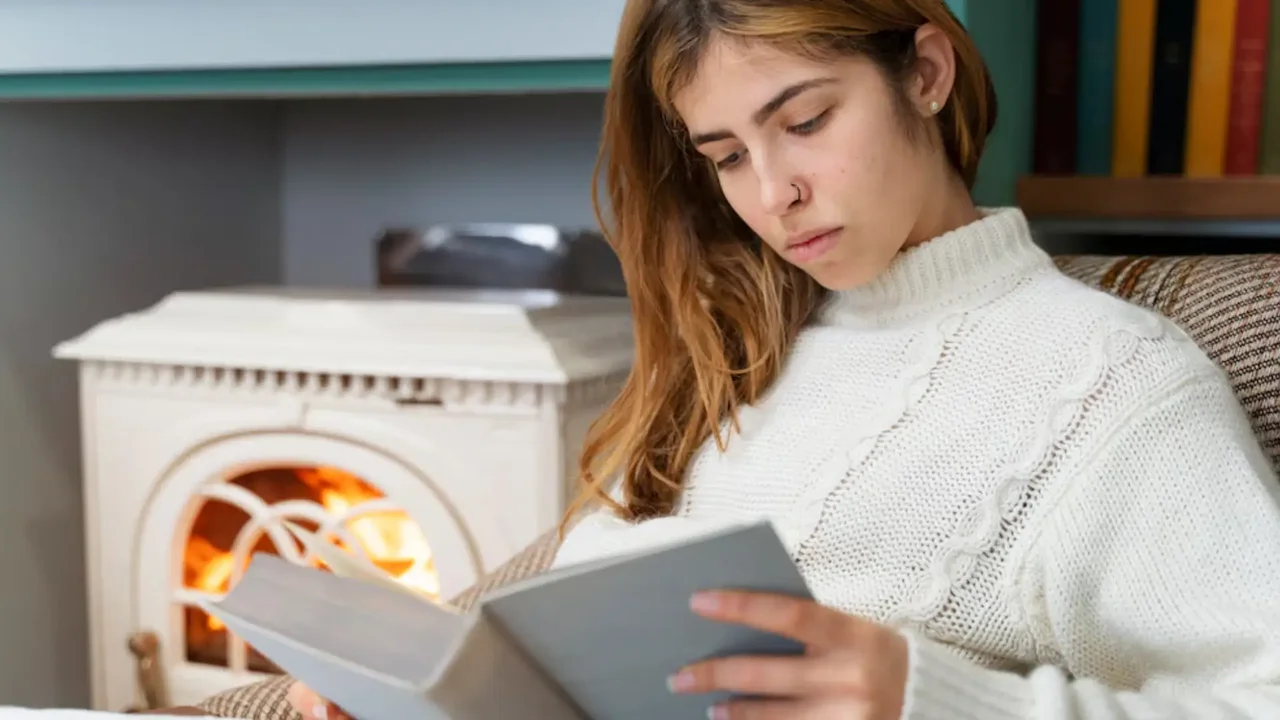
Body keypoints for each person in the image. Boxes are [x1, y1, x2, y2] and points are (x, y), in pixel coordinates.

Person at [288, 0, 1280, 718]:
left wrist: (922, 702)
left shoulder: (1107, 382)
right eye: (723, 155)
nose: (771, 193)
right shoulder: (729, 355)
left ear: (925, 74)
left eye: (803, 122)